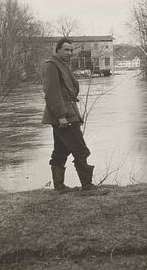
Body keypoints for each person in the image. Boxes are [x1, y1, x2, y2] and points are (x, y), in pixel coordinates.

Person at [42, 37, 107, 195]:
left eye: (71, 50)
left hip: (69, 111)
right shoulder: (51, 65)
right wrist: (61, 115)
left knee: (60, 150)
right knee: (80, 150)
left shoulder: (62, 65)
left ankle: (59, 187)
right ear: (57, 50)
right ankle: (87, 186)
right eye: (66, 50)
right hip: (64, 115)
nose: (69, 53)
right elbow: (51, 93)